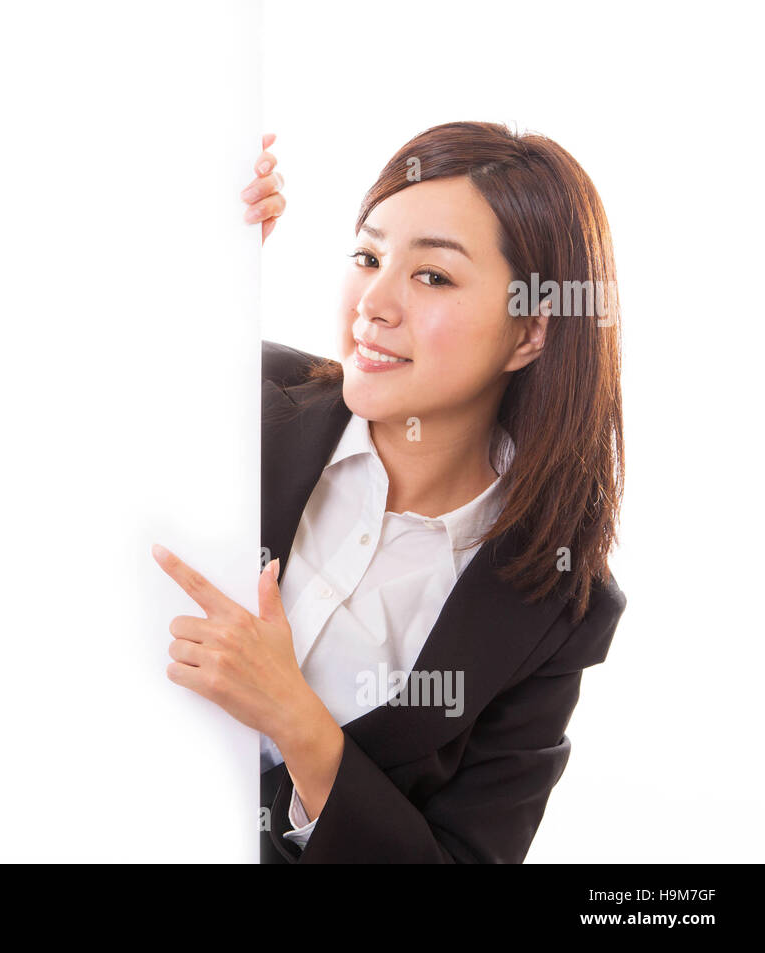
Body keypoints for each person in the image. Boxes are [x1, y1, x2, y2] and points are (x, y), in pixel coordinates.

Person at [151, 123, 626, 862]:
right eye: (368, 256)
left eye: (432, 276)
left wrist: (298, 722)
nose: (373, 301)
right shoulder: (243, 393)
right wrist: (191, 244)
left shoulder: (556, 604)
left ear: (531, 329)